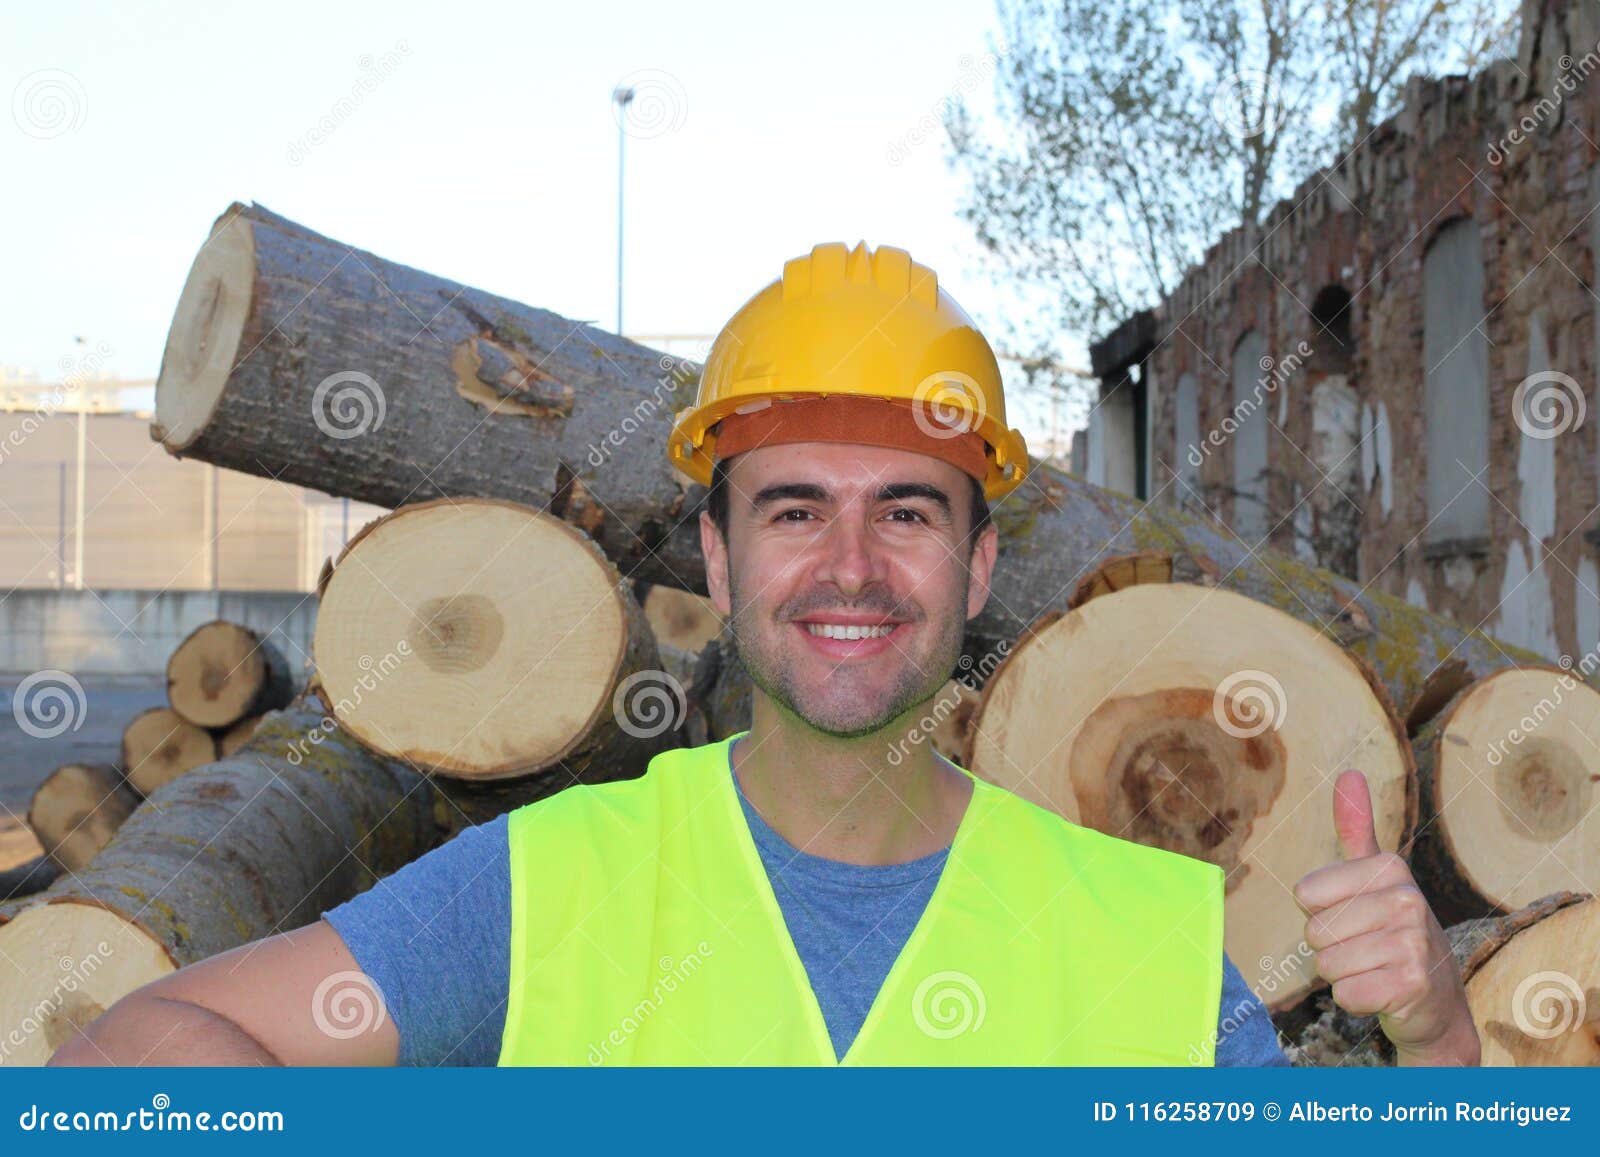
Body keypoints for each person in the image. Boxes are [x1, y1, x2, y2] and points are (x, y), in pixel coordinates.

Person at [49, 242, 1478, 1067]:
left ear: (977, 565)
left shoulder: (1153, 948)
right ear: (722, 563)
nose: (850, 565)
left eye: (904, 512)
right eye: (796, 509)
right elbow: (144, 1054)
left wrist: (1440, 1037)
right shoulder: (557, 889)